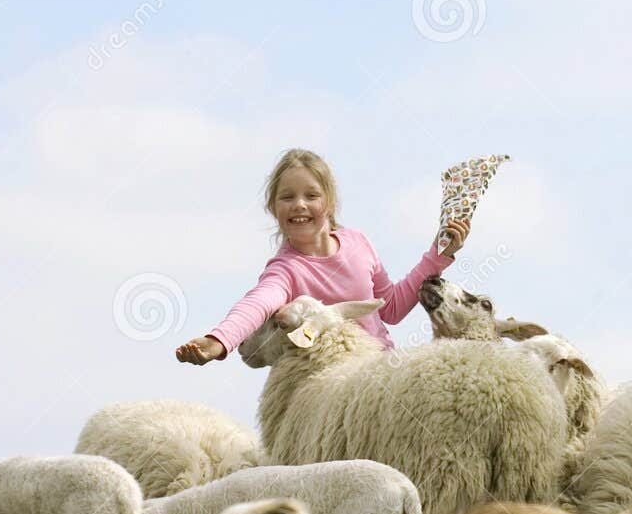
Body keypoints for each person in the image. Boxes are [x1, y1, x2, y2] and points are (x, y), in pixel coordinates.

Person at [175, 146, 469, 365]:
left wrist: (438, 256)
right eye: (287, 197)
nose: (299, 204)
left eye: (311, 196)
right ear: (273, 207)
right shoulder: (285, 269)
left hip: (378, 371)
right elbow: (257, 304)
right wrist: (218, 341)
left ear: (329, 203)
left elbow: (390, 308)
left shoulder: (358, 243)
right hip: (326, 386)